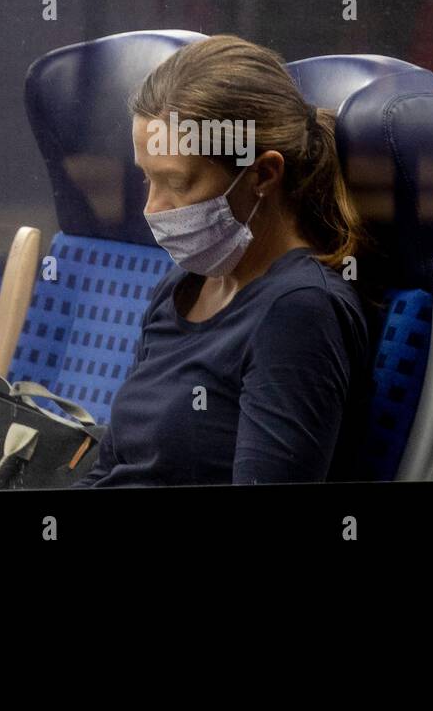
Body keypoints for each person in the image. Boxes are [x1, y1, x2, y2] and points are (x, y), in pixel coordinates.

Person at [70, 35, 378, 488]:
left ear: (262, 174)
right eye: (147, 178)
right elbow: (109, 470)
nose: (152, 208)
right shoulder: (183, 286)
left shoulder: (301, 311)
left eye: (176, 182)